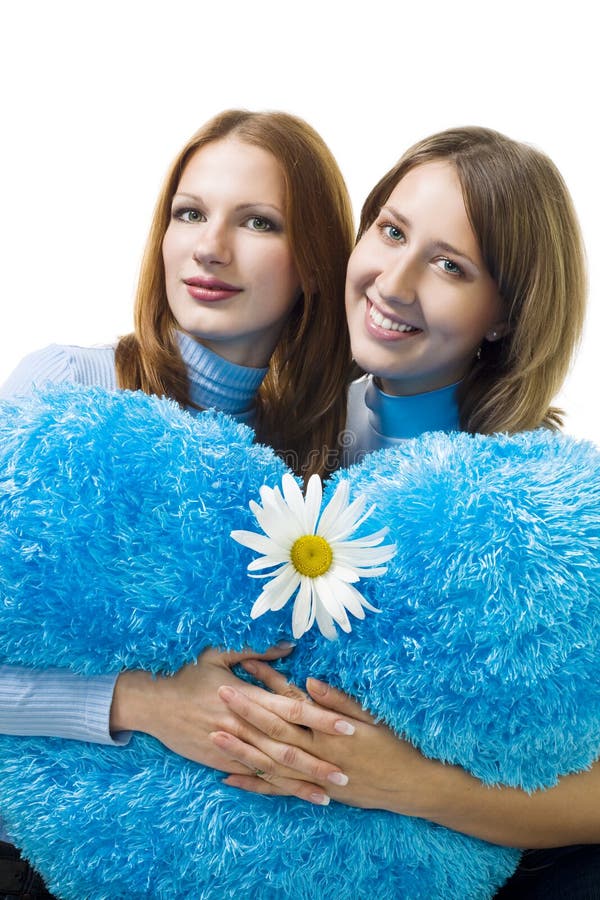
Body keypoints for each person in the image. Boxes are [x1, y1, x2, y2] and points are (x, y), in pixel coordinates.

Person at [204, 127, 600, 898]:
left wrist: (399, 780)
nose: (394, 280)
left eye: (451, 266)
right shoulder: (266, 441)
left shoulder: (548, 514)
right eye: (391, 232)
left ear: (505, 316)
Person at [0, 107, 355, 899]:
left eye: (257, 222)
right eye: (189, 213)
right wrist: (144, 702)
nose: (209, 247)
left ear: (316, 264)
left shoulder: (326, 462)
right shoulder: (67, 394)